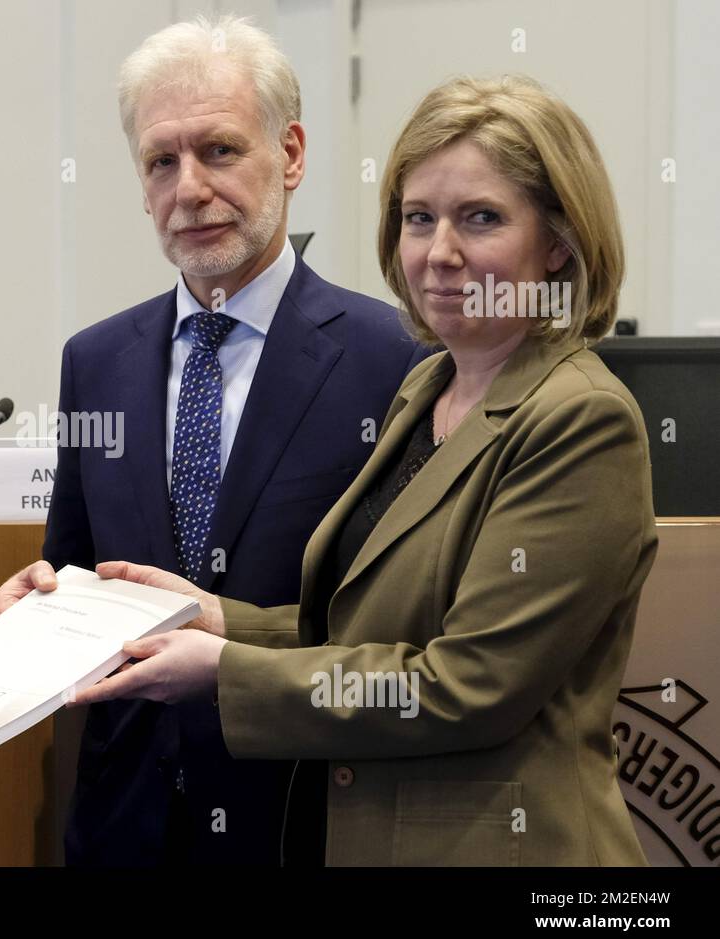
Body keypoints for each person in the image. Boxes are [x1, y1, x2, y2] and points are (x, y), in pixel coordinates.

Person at [66, 75, 656, 865]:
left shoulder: (580, 417)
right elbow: (360, 634)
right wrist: (215, 619)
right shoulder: (428, 388)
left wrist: (228, 671)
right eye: (419, 218)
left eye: (481, 218)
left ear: (559, 241)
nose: (440, 254)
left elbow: (467, 685)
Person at [0, 16, 429, 865]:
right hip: (125, 823)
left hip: (299, 815)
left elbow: (400, 630)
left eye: (219, 151)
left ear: (290, 154)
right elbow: (74, 567)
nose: (188, 189)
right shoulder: (94, 361)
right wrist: (33, 611)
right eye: (161, 161)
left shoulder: (396, 359)